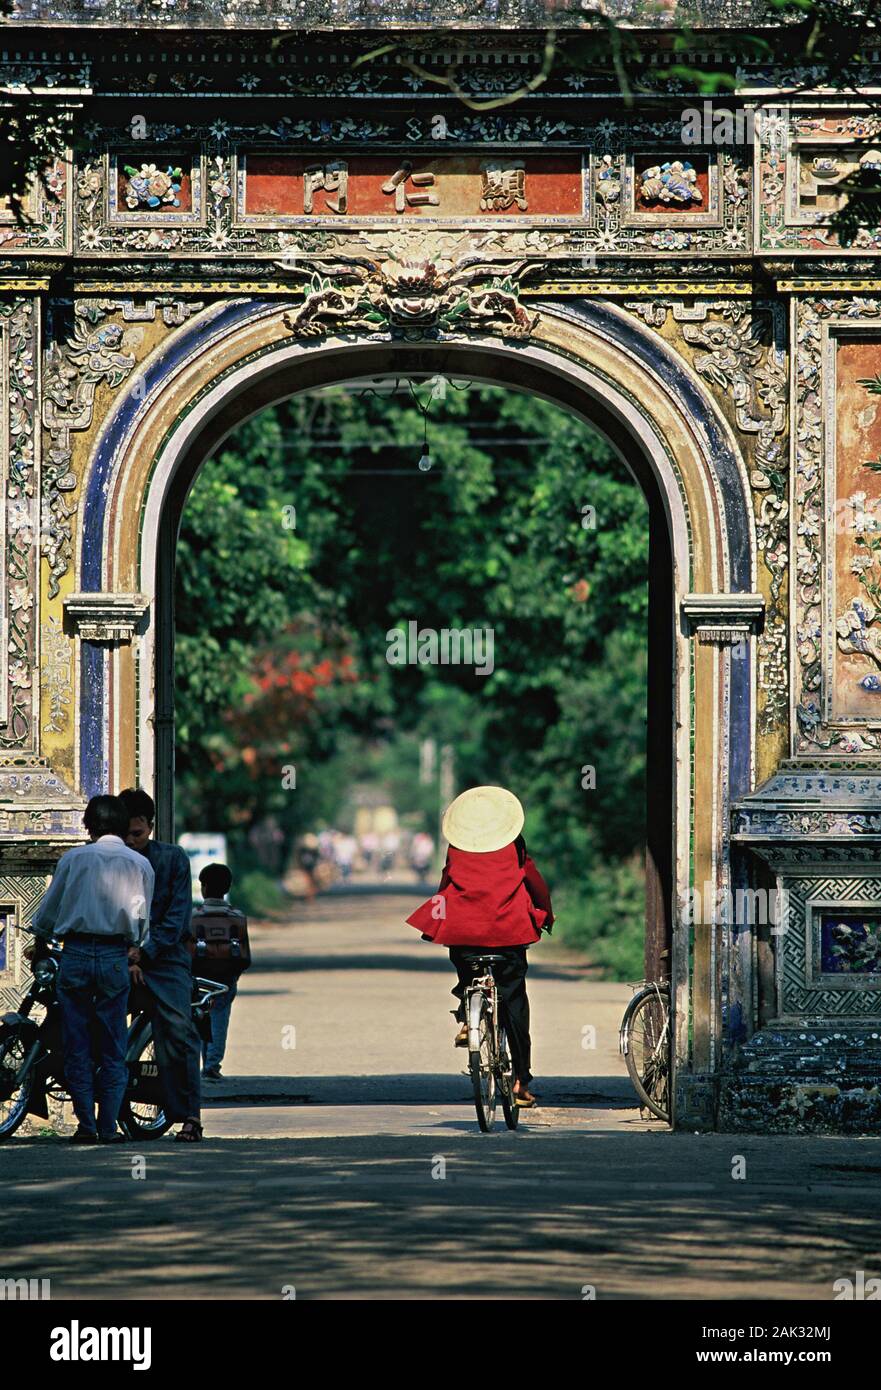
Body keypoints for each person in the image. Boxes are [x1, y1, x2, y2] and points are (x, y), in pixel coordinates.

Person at [405, 785, 554, 1108]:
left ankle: (466, 1015)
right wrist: (547, 914)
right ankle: (520, 1082)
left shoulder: (457, 849)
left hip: (464, 932)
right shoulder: (514, 847)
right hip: (509, 934)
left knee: (466, 965)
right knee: (514, 1002)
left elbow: (446, 884)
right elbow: (534, 882)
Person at [25, 794, 154, 1144]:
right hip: (114, 957)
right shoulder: (139, 864)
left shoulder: (74, 859)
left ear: (89, 825)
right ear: (123, 826)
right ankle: (108, 1126)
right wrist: (133, 946)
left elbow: (49, 912)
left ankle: (86, 1125)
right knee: (114, 1044)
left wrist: (40, 940)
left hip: (77, 954)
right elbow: (142, 921)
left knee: (76, 1043)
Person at [120, 787, 204, 1142]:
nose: (130, 840)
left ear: (150, 828)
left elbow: (175, 919)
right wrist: (128, 954)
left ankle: (190, 1118)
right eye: (124, 834)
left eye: (136, 834)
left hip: (166, 960)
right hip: (120, 957)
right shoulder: (111, 860)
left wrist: (145, 952)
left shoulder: (173, 860)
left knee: (179, 1034)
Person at [189, 862, 251, 1079]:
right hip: (225, 979)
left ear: (203, 887)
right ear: (228, 888)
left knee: (196, 1019)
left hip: (196, 979)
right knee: (219, 1019)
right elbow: (245, 955)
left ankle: (194, 1065)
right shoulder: (237, 917)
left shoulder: (192, 917)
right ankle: (212, 1065)